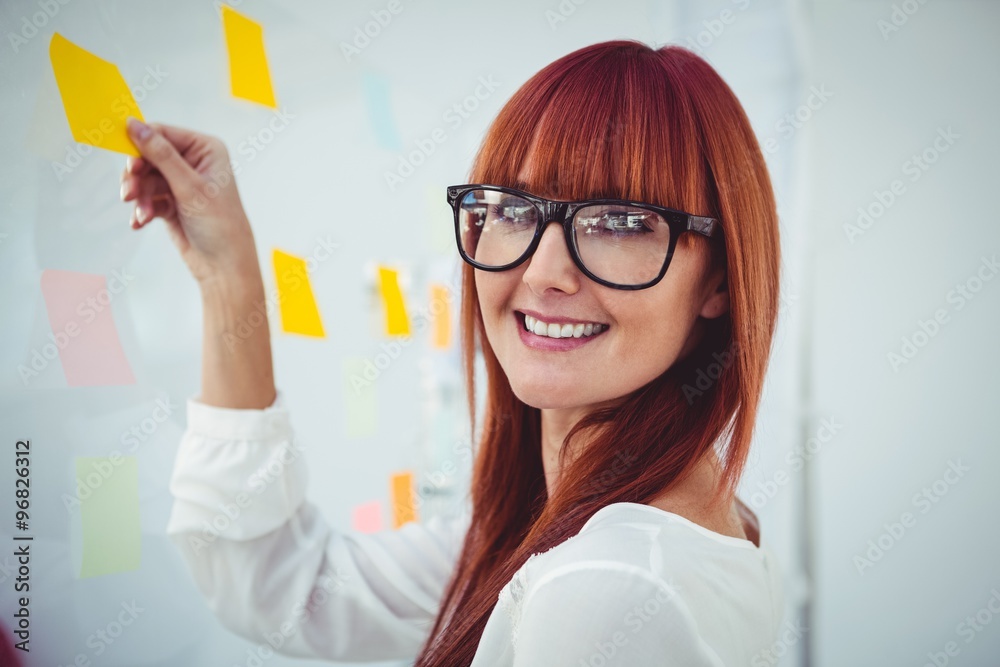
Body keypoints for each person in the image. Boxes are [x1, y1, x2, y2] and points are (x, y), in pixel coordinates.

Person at [120, 39, 784, 666]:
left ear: (720, 281)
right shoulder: (594, 531)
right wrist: (227, 277)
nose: (544, 272)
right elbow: (288, 588)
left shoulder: (603, 586)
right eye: (514, 210)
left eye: (620, 222)